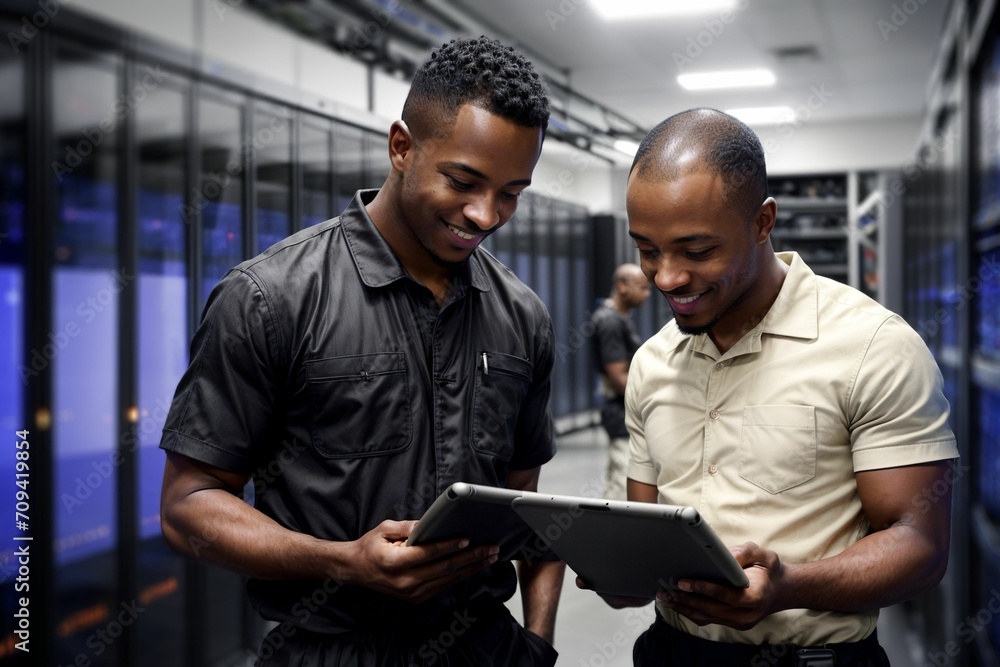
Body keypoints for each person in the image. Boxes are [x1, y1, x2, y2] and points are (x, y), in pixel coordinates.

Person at [158, 36, 564, 666]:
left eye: (511, 192)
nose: (486, 215)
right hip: (329, 651)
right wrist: (342, 562)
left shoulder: (522, 316)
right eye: (463, 181)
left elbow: (526, 507)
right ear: (402, 147)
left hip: (486, 648)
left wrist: (537, 645)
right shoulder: (270, 298)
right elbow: (187, 507)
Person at [596, 108, 959, 666]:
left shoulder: (873, 347)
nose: (666, 277)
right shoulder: (652, 362)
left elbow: (920, 544)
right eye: (647, 250)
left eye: (697, 251)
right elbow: (645, 543)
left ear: (763, 222)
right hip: (669, 652)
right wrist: (617, 573)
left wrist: (789, 586)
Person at [590, 263, 651, 500]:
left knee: (619, 475)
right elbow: (619, 378)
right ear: (623, 286)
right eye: (642, 288)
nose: (646, 294)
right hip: (620, 410)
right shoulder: (611, 322)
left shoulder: (620, 319)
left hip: (622, 409)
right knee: (623, 480)